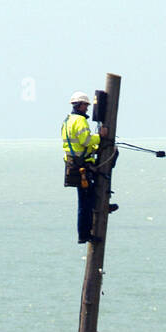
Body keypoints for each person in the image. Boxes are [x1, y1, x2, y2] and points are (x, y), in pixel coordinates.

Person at [61, 91, 118, 244]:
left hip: (73, 163)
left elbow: (77, 143)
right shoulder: (79, 121)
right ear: (79, 105)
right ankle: (84, 234)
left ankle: (102, 206)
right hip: (81, 165)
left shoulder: (68, 120)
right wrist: (101, 136)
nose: (87, 108)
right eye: (85, 105)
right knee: (84, 203)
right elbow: (86, 140)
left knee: (88, 197)